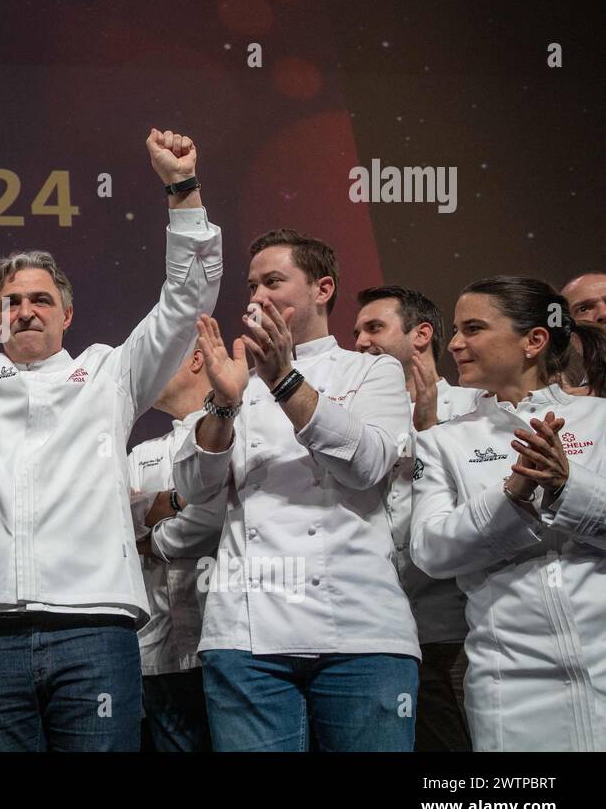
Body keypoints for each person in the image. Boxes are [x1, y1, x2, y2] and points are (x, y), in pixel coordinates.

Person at [0, 117, 222, 751]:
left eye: (41, 299)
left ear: (67, 313)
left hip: (96, 631)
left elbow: (184, 302)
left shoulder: (111, 374)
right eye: (13, 301)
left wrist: (183, 188)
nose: (26, 309)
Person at [174, 229, 419, 751]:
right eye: (252, 285)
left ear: (322, 289)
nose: (257, 297)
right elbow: (195, 486)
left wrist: (285, 380)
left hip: (360, 629)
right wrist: (223, 403)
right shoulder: (235, 376)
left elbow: (368, 464)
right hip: (246, 635)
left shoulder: (372, 370)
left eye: (274, 282)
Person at [411, 276, 606, 751]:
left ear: (534, 340)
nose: (454, 343)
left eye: (473, 328)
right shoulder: (443, 441)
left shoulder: (601, 420)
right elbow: (431, 550)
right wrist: (512, 496)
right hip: (508, 688)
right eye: (456, 330)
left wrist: (566, 486)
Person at [353, 285, 480, 751]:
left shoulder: (475, 410)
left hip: (457, 634)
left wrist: (430, 432)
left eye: (374, 328)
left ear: (421, 334)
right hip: (377, 638)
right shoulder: (354, 424)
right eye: (357, 332)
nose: (361, 342)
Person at [127, 348, 225, 752]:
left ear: (197, 359)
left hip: (224, 646)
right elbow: (120, 522)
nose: (147, 371)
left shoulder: (232, 433)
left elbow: (220, 515)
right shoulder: (140, 453)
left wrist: (155, 537)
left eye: (159, 357)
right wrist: (185, 502)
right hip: (157, 656)